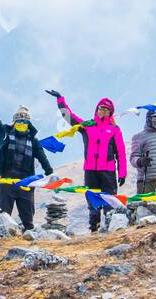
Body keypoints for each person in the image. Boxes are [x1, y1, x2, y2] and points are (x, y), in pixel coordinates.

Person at [0, 91, 54, 231]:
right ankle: (3, 239)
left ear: (29, 124)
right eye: (19, 121)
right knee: (4, 217)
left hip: (26, 184)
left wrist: (50, 173)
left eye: (25, 122)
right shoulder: (4, 133)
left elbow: (43, 158)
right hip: (7, 182)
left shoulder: (33, 141)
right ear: (14, 122)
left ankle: (30, 238)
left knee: (28, 220)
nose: (22, 124)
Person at [46, 89, 127, 232]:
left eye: (107, 110)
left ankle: (109, 229)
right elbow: (69, 117)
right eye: (101, 108)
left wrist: (122, 173)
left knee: (109, 201)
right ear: (97, 110)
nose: (104, 111)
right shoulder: (87, 126)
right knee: (92, 202)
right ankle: (94, 230)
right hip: (90, 171)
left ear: (110, 113)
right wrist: (60, 100)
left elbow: (120, 152)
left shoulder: (114, 129)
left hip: (107, 172)